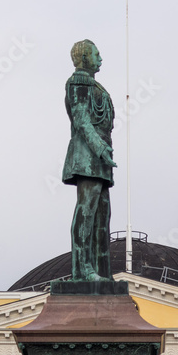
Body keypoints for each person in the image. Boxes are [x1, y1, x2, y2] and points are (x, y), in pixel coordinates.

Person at [62, 39, 117, 282]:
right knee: (87, 210)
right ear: (85, 57)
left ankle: (102, 271)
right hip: (88, 154)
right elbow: (82, 120)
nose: (100, 59)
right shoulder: (78, 82)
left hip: (101, 155)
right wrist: (99, 148)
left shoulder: (95, 85)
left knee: (102, 214)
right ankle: (83, 270)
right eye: (96, 54)